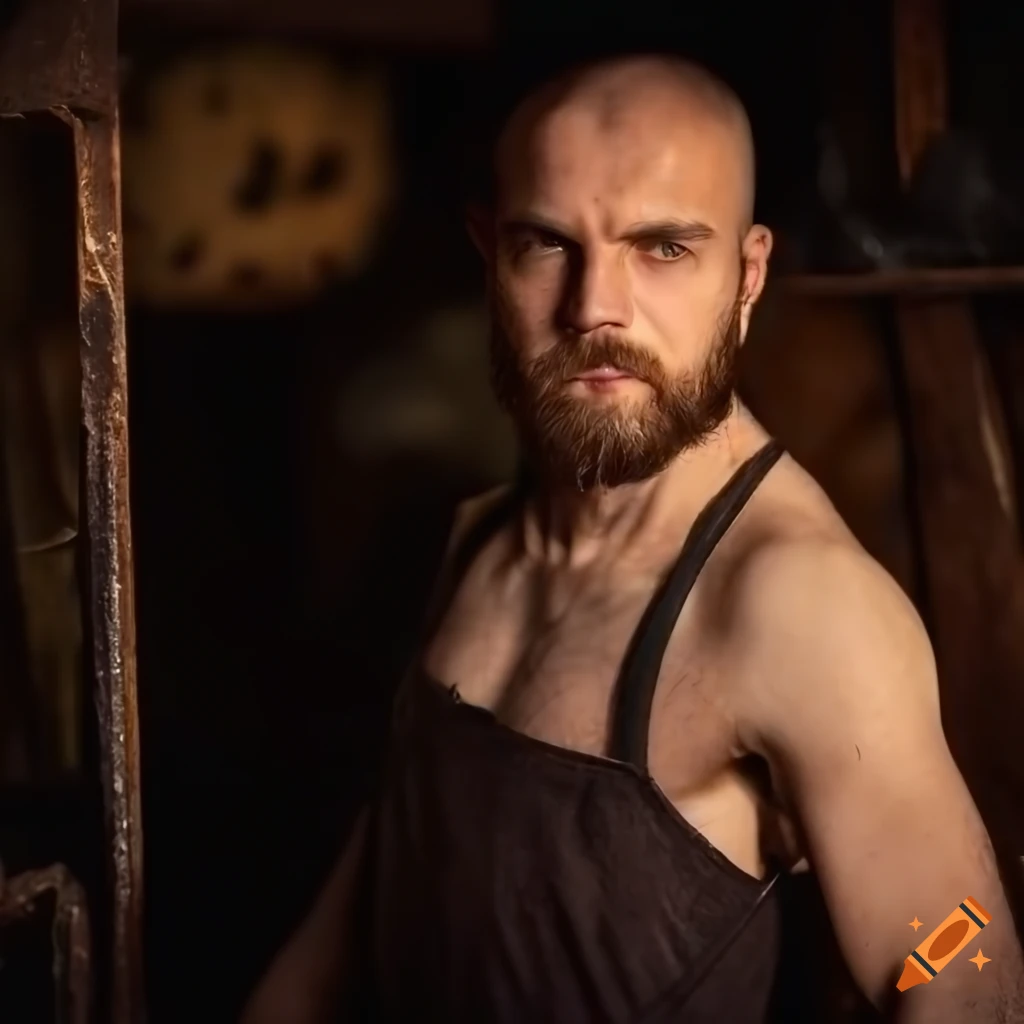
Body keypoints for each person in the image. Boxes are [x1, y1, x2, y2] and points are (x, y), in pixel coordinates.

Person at [242, 54, 1024, 1022]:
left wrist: (932, 957)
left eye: (660, 248)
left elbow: (959, 964)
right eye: (547, 244)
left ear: (746, 277)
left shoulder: (799, 607)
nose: (594, 308)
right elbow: (372, 905)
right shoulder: (477, 540)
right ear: (489, 251)